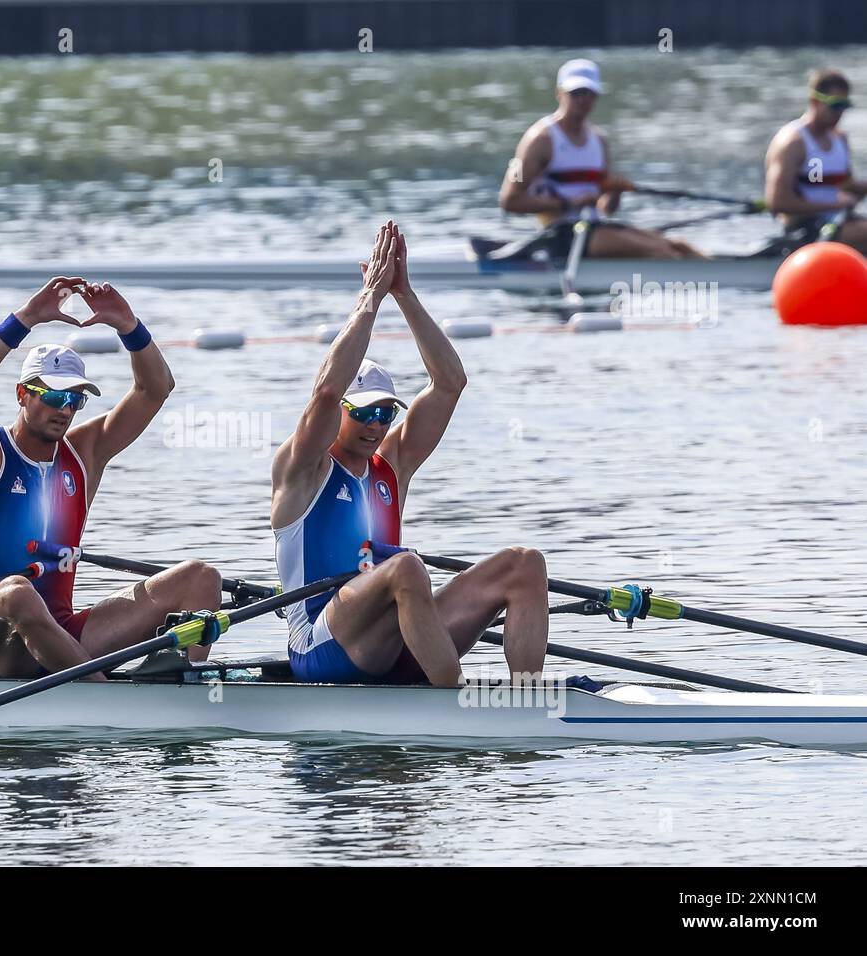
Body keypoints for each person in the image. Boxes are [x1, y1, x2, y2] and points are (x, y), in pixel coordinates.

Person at [270, 222, 550, 688]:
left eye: (385, 413)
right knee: (404, 566)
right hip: (321, 646)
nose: (377, 424)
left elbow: (450, 383)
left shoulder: (390, 465)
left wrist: (405, 295)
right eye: (364, 413)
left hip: (393, 637)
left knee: (525, 564)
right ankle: (453, 697)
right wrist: (370, 300)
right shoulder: (303, 469)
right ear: (341, 411)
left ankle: (526, 700)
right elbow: (324, 392)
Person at [0, 277, 221, 679]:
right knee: (17, 591)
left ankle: (186, 686)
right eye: (54, 396)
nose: (64, 409)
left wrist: (129, 326)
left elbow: (157, 388)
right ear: (23, 395)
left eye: (74, 399)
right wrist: (25, 320)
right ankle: (101, 693)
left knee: (200, 579)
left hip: (62, 634)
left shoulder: (84, 454)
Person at [499, 58, 706, 259]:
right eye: (576, 92)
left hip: (592, 229)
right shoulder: (539, 139)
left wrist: (614, 192)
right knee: (662, 253)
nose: (583, 99)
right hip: (558, 235)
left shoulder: (599, 141)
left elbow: (606, 208)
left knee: (679, 246)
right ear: (559, 93)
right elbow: (509, 200)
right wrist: (568, 203)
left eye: (589, 93)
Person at [764, 69, 867, 254]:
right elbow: (777, 202)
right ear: (814, 101)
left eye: (845, 105)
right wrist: (835, 205)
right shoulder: (792, 142)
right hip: (804, 229)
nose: (840, 112)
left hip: (838, 222)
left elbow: (847, 186)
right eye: (835, 105)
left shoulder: (840, 138)